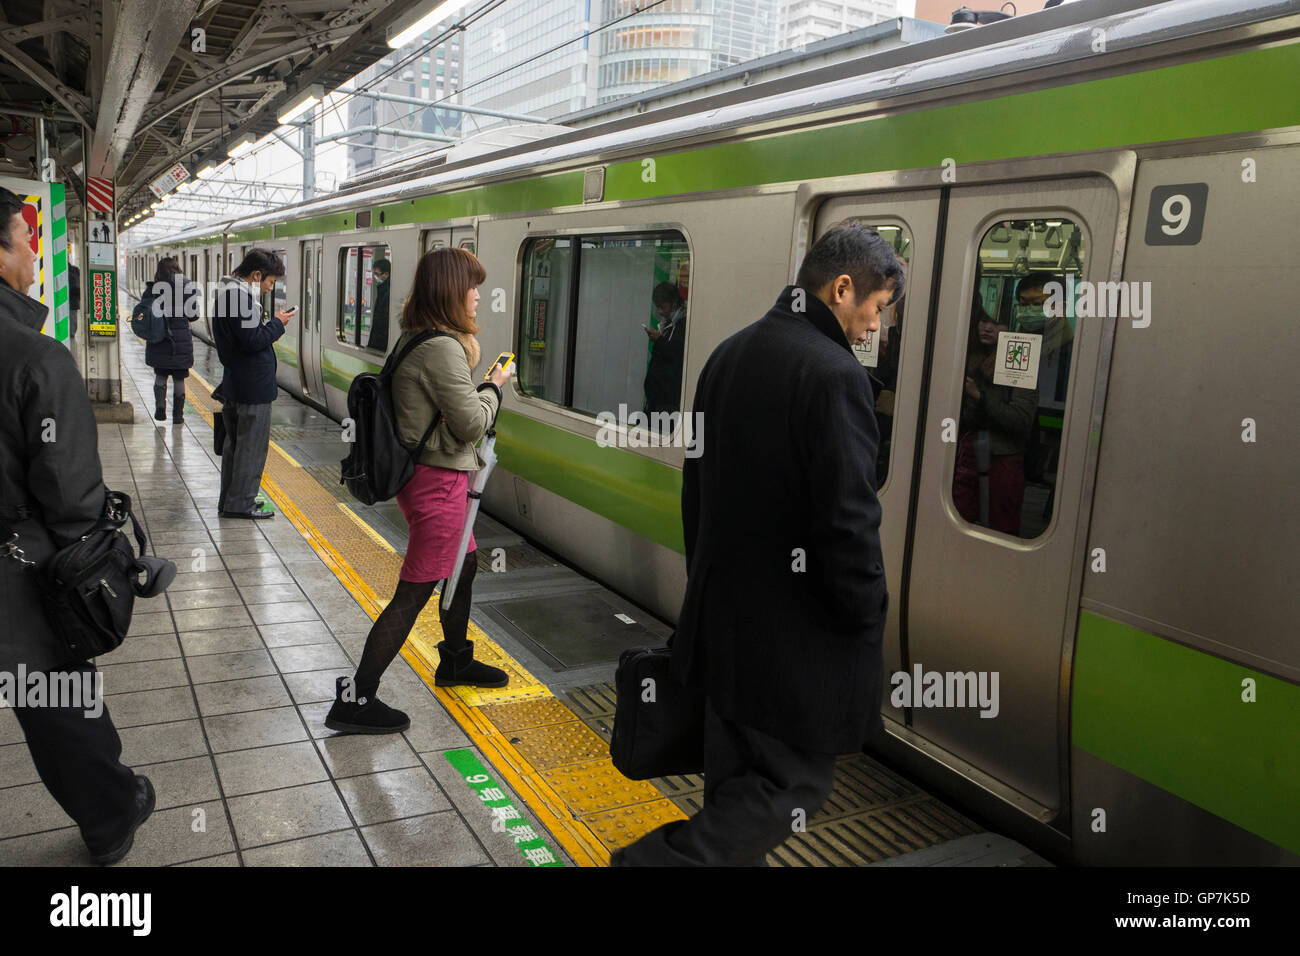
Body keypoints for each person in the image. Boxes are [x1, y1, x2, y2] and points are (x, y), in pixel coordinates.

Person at [612, 220, 904, 866]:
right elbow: (849, 527)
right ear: (844, 288)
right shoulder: (835, 377)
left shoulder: (728, 355)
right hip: (791, 652)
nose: (873, 329)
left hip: (723, 631)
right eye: (875, 310)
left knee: (735, 788)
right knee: (788, 787)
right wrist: (864, 621)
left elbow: (697, 494)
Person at [0, 186, 154, 864]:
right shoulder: (36, 359)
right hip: (19, 567)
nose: (36, 249)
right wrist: (97, 558)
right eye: (26, 235)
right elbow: (67, 492)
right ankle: (111, 815)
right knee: (59, 702)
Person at [326, 248, 514, 734]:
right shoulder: (442, 348)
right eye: (472, 287)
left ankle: (455, 660)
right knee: (413, 592)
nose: (478, 296)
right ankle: (356, 697)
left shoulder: (420, 337)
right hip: (439, 486)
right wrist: (494, 386)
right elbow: (471, 423)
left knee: (464, 566)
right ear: (452, 291)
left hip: (433, 480)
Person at [211, 248, 292, 519]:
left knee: (236, 447)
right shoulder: (238, 297)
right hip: (251, 388)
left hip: (238, 383)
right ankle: (242, 502)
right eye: (270, 282)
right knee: (250, 448)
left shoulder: (229, 294)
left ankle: (232, 501)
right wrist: (278, 324)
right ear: (256, 275)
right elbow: (253, 340)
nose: (270, 289)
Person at [951, 299, 1037, 536]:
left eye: (997, 323)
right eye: (984, 320)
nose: (987, 328)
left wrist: (979, 396)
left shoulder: (1019, 361)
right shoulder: (969, 357)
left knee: (1002, 527)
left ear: (1010, 328)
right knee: (957, 521)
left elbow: (1020, 420)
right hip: (967, 452)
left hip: (1003, 456)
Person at [142, 257, 200, 424]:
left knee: (160, 375)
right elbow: (194, 315)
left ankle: (160, 409)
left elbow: (144, 313)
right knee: (179, 379)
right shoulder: (187, 287)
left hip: (159, 338)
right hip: (180, 340)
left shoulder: (152, 289)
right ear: (177, 269)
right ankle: (178, 415)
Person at [643, 281, 687, 416]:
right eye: (658, 307)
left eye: (662, 307)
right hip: (657, 400)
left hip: (668, 404)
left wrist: (659, 341)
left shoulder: (683, 325)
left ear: (674, 303)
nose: (660, 311)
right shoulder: (667, 324)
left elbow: (677, 354)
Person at [367, 257, 391, 352]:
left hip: (380, 345)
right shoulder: (383, 290)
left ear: (386, 274)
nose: (375, 277)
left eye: (377, 274)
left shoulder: (387, 293)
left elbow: (381, 322)